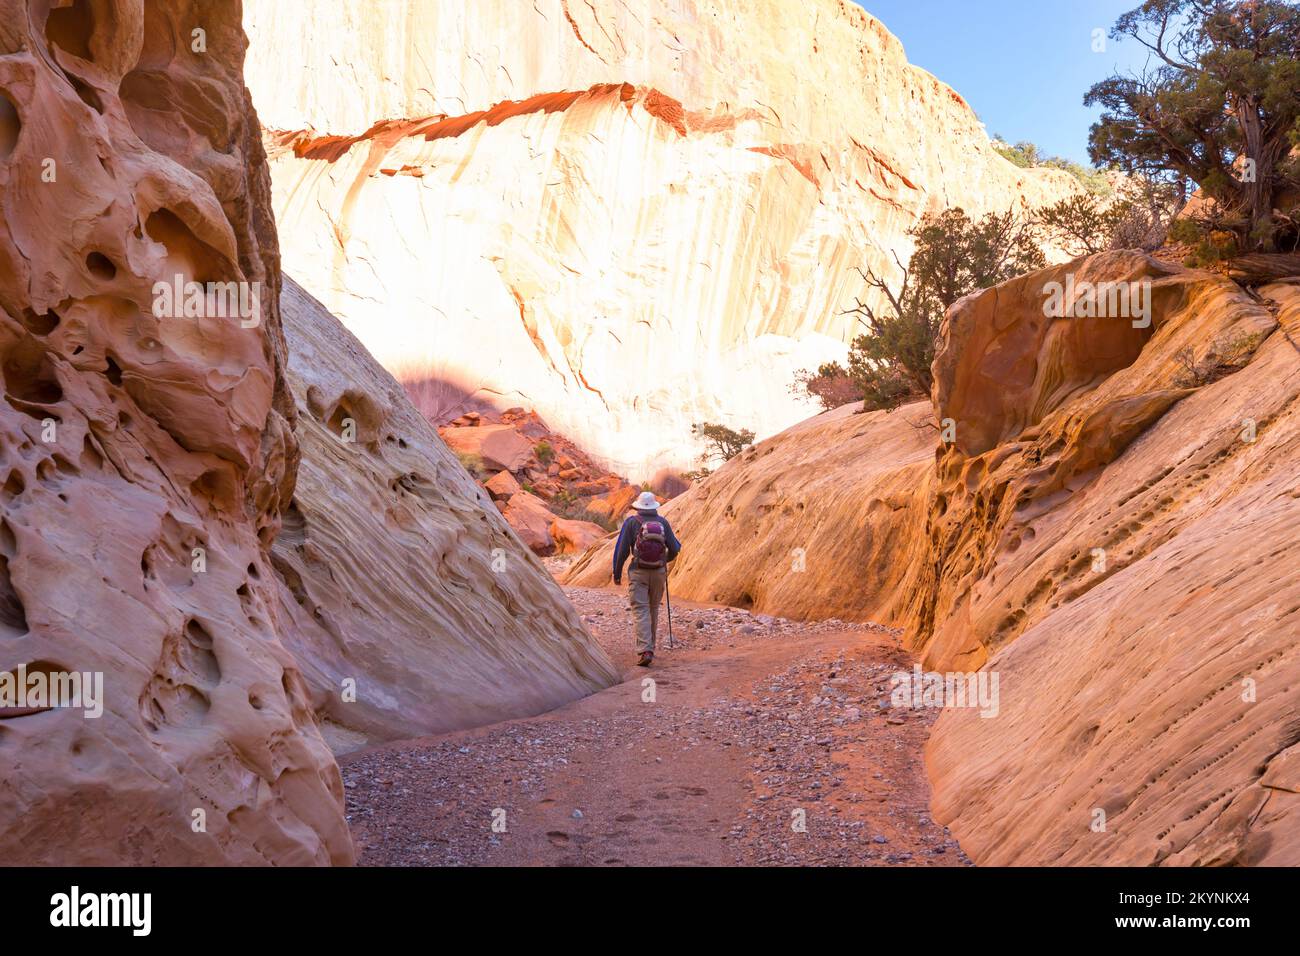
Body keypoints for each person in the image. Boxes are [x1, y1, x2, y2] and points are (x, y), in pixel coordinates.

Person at [612, 491, 682, 667]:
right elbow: (674, 548)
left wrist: (617, 573)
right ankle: (650, 647)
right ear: (654, 507)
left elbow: (621, 551)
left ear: (639, 506)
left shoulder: (630, 522)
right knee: (652, 608)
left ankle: (645, 650)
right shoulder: (663, 522)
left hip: (638, 572)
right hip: (658, 573)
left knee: (640, 609)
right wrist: (663, 560)